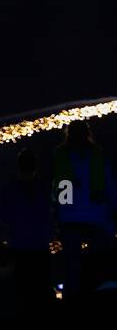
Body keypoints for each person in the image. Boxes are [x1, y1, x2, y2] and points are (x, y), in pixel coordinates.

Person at [51, 120, 115, 300]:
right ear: (88, 133)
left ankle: (73, 301)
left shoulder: (61, 156)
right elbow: (109, 186)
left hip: (70, 218)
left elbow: (62, 191)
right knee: (99, 261)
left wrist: (60, 216)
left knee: (72, 266)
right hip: (96, 216)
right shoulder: (98, 155)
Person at [0, 147, 52, 305]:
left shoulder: (10, 189)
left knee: (22, 292)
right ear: (35, 167)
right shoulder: (44, 188)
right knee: (40, 291)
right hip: (40, 247)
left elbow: (4, 216)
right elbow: (53, 211)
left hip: (19, 246)